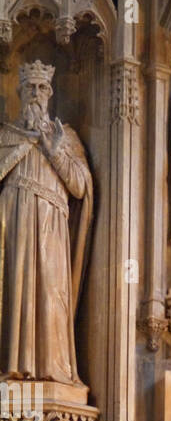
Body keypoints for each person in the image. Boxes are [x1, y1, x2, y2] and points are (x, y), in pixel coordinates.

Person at [0, 61, 92, 383]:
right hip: (13, 225)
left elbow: (81, 186)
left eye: (41, 88)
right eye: (29, 88)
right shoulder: (6, 136)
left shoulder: (66, 137)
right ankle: (12, 369)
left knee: (52, 295)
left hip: (52, 229)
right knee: (14, 292)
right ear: (20, 92)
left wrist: (54, 151)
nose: (35, 95)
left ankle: (53, 371)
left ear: (50, 93)